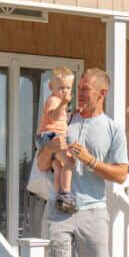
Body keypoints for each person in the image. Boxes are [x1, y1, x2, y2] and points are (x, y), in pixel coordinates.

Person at [45, 67, 129, 257]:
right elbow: (42, 160)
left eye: (85, 90)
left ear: (102, 94)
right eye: (78, 89)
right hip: (60, 207)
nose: (78, 94)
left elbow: (120, 174)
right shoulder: (65, 118)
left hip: (94, 210)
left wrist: (91, 160)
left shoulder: (112, 128)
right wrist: (50, 149)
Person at [33, 67, 77, 214]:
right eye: (61, 88)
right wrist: (63, 103)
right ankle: (66, 193)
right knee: (70, 161)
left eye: (68, 88)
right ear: (52, 87)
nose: (65, 92)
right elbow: (54, 117)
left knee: (58, 166)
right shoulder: (54, 100)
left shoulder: (59, 102)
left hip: (52, 136)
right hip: (49, 136)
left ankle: (59, 196)